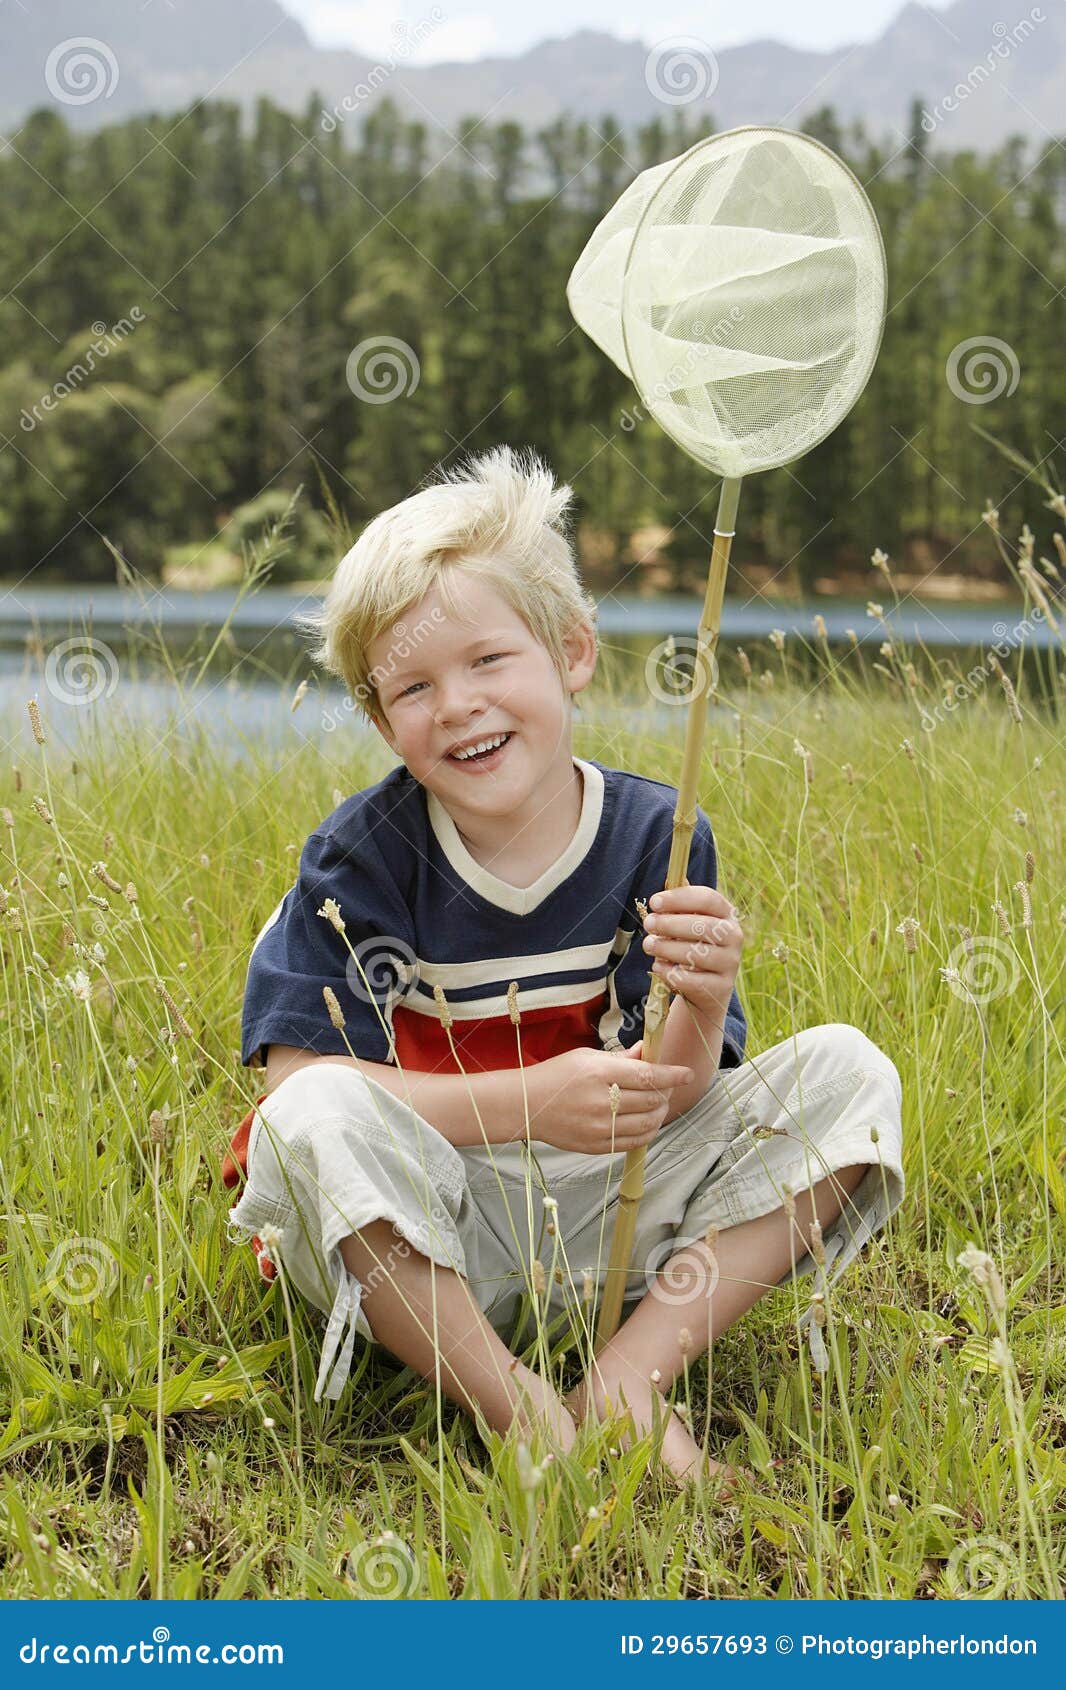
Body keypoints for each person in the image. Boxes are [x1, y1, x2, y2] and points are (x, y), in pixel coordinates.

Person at [222, 445, 904, 1490]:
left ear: (571, 652)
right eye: (412, 685)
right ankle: (521, 1407)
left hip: (601, 1227)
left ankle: (626, 1381)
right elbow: (291, 1089)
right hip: (420, 1230)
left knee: (850, 1072)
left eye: (489, 661)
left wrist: (703, 998)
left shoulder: (655, 831)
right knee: (312, 1117)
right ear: (379, 718)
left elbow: (667, 1102)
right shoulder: (362, 856)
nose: (456, 704)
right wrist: (527, 1102)